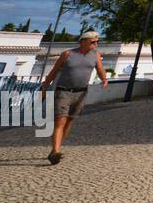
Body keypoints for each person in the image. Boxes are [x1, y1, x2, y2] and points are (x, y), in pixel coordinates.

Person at [39, 30, 108, 164]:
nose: (96, 44)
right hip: (63, 91)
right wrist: (45, 86)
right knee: (60, 120)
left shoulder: (96, 55)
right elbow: (53, 72)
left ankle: (57, 148)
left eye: (97, 42)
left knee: (69, 121)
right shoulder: (68, 54)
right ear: (83, 41)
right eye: (93, 41)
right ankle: (55, 151)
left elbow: (100, 70)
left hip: (81, 93)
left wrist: (104, 79)